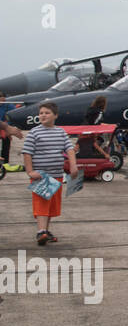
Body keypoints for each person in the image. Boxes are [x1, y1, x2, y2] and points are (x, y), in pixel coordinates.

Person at [22, 100, 79, 245]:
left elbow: (69, 149)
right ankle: (40, 231)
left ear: (55, 116)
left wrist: (73, 166)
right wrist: (30, 171)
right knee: (42, 203)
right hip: (41, 176)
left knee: (51, 207)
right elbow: (27, 153)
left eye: (47, 113)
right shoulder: (34, 132)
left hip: (57, 175)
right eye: (41, 113)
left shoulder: (60, 132)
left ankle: (45, 232)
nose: (43, 115)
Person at [83, 95, 111, 161]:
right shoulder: (100, 112)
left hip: (84, 130)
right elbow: (96, 123)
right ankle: (103, 155)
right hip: (92, 132)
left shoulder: (89, 109)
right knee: (97, 143)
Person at [0, 91, 23, 168]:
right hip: (2, 127)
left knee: (6, 141)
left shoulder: (9, 106)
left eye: (2, 98)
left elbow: (14, 117)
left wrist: (8, 128)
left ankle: (5, 163)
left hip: (5, 127)